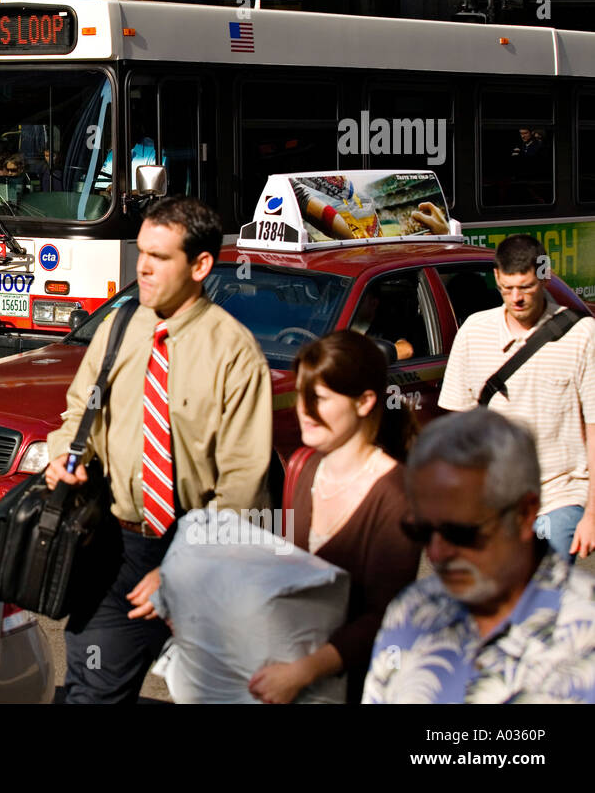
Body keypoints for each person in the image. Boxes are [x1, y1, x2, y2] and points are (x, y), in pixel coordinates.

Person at [45, 195, 274, 704]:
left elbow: (243, 481)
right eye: (142, 252)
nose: (142, 267)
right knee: (92, 685)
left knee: (217, 695)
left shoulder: (234, 353)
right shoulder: (118, 327)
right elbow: (76, 414)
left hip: (201, 549)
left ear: (201, 265)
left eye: (159, 257)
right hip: (113, 543)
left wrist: (181, 569)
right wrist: (64, 455)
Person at [364, 408, 595, 703]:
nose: (436, 552)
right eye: (422, 531)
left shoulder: (586, 634)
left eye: (461, 532)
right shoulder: (410, 612)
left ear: (525, 514)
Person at [247, 331, 421, 704]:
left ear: (365, 402)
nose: (304, 411)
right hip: (285, 676)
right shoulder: (303, 466)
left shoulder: (396, 494)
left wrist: (302, 672)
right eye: (301, 397)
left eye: (320, 400)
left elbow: (382, 617)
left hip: (356, 686)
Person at [439, 233, 595, 561]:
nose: (517, 298)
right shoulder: (472, 331)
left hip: (559, 495)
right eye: (507, 288)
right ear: (496, 277)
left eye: (525, 287)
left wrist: (592, 514)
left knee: (537, 590)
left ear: (543, 276)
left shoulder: (581, 336)